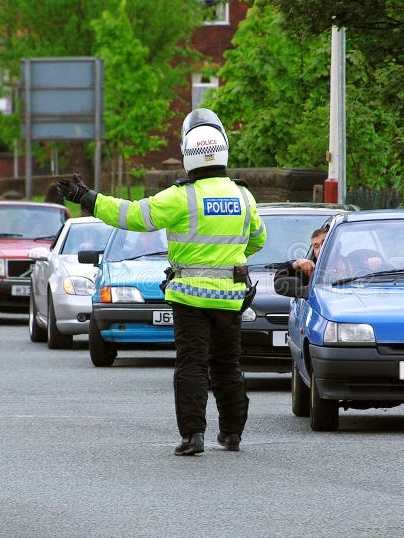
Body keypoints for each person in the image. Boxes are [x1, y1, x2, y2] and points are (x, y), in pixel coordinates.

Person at [56, 108, 266, 456]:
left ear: (188, 154)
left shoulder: (182, 196)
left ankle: (193, 437)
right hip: (230, 300)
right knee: (228, 366)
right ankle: (232, 434)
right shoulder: (243, 196)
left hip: (189, 300)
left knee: (192, 365)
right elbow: (257, 240)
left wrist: (88, 198)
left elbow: (133, 216)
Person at [273, 223, 329, 294]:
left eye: (325, 243)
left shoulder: (347, 265)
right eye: (316, 246)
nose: (321, 249)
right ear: (314, 253)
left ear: (338, 245)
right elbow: (279, 278)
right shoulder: (310, 270)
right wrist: (295, 264)